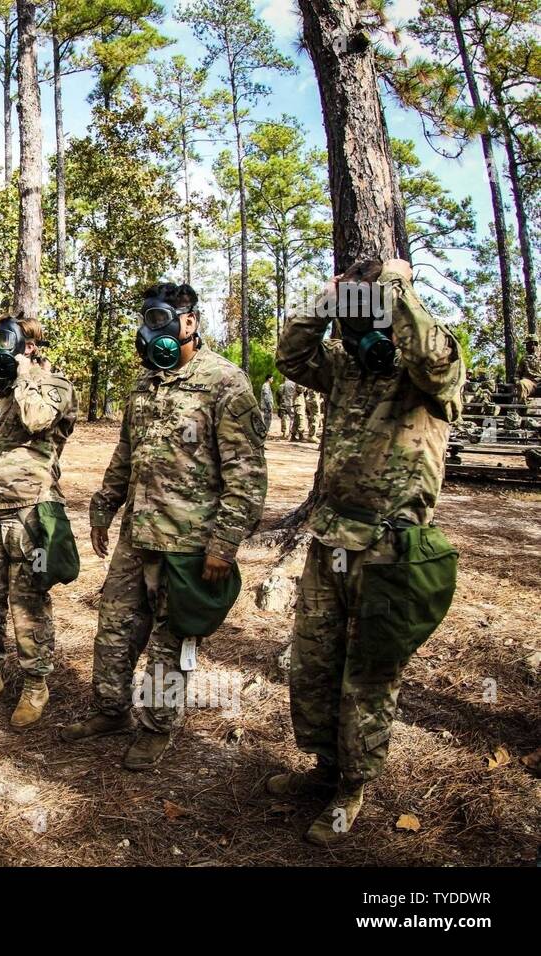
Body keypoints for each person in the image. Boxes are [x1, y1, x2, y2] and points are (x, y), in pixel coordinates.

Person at [272, 258, 464, 846]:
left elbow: (432, 356)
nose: (362, 331)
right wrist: (327, 299)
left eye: (370, 313)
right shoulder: (345, 367)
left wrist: (397, 287)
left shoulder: (427, 370)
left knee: (369, 674)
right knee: (314, 664)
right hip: (330, 538)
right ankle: (324, 768)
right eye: (353, 319)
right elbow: (291, 356)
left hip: (389, 548)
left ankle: (353, 787)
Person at [61, 283, 267, 769]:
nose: (148, 330)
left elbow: (247, 472)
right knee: (114, 627)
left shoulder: (225, 382)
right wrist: (103, 506)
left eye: (158, 319)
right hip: (137, 535)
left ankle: (156, 727)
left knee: (168, 643)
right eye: (145, 320)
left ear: (189, 322)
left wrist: (225, 543)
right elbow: (126, 454)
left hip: (189, 542)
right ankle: (110, 711)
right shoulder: (144, 384)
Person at [0, 316, 77, 727]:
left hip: (31, 511)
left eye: (11, 344)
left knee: (28, 602)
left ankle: (35, 684)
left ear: (30, 347)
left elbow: (37, 419)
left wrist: (23, 374)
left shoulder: (54, 385)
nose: (0, 352)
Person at [519, 334, 540, 402]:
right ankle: (522, 409)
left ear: (533, 343)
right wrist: (516, 380)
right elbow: (518, 373)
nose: (526, 346)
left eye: (527, 344)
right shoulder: (524, 358)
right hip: (529, 382)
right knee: (522, 383)